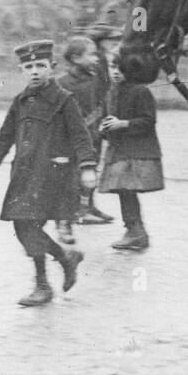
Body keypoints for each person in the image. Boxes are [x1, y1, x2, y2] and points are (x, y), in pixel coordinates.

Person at [0, 40, 93, 306]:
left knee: (27, 226)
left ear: (52, 68)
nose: (34, 71)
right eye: (29, 66)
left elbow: (81, 136)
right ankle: (64, 260)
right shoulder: (20, 101)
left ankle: (43, 285)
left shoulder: (64, 100)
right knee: (23, 226)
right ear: (22, 69)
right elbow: (5, 135)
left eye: (40, 66)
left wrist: (88, 166)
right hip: (24, 175)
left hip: (53, 176)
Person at [98, 49, 164, 251]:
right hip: (118, 150)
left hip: (137, 152)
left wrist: (124, 124)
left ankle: (135, 232)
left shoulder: (140, 91)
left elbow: (148, 120)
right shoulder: (111, 92)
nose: (116, 72)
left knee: (125, 190)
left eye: (121, 68)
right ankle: (135, 232)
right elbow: (107, 119)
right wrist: (103, 129)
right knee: (122, 191)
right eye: (112, 67)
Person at [54, 35, 103, 244]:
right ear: (75, 58)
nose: (96, 59)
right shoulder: (61, 83)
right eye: (91, 55)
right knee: (67, 184)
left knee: (86, 179)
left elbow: (101, 103)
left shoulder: (95, 80)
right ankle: (63, 224)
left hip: (92, 139)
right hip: (68, 142)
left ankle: (82, 211)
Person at [75, 23, 117, 224]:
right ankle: (82, 209)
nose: (115, 42)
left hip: (98, 116)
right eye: (111, 39)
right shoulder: (97, 62)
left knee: (93, 163)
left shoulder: (102, 60)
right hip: (93, 119)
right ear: (102, 41)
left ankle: (89, 206)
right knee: (88, 163)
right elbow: (97, 92)